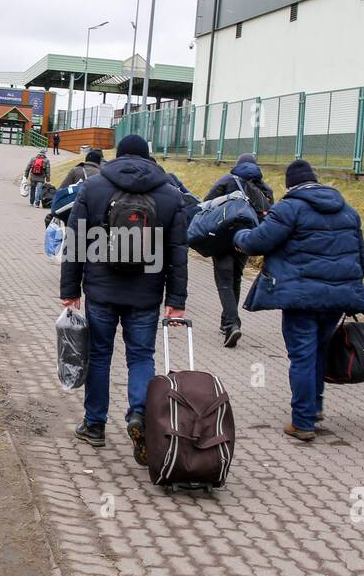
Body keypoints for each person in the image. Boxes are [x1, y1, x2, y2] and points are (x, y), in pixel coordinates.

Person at [60, 134, 188, 461]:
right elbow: (177, 253)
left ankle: (94, 425)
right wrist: (176, 300)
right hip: (146, 295)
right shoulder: (170, 194)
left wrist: (69, 292)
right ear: (148, 157)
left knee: (100, 356)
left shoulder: (94, 187)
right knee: (141, 357)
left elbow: (74, 243)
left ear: (119, 156)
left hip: (101, 291)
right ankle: (140, 416)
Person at [233, 159, 364, 442]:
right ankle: (315, 407)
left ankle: (303, 421)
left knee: (303, 356)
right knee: (319, 351)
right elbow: (361, 257)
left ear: (291, 184)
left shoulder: (289, 208)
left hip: (302, 298)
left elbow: (258, 242)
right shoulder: (348, 212)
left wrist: (239, 235)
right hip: (335, 298)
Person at [204, 153, 274, 347]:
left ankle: (232, 323)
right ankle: (226, 320)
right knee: (235, 277)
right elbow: (269, 217)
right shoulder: (264, 189)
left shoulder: (226, 181)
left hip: (223, 238)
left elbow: (206, 204)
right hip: (246, 240)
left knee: (224, 280)